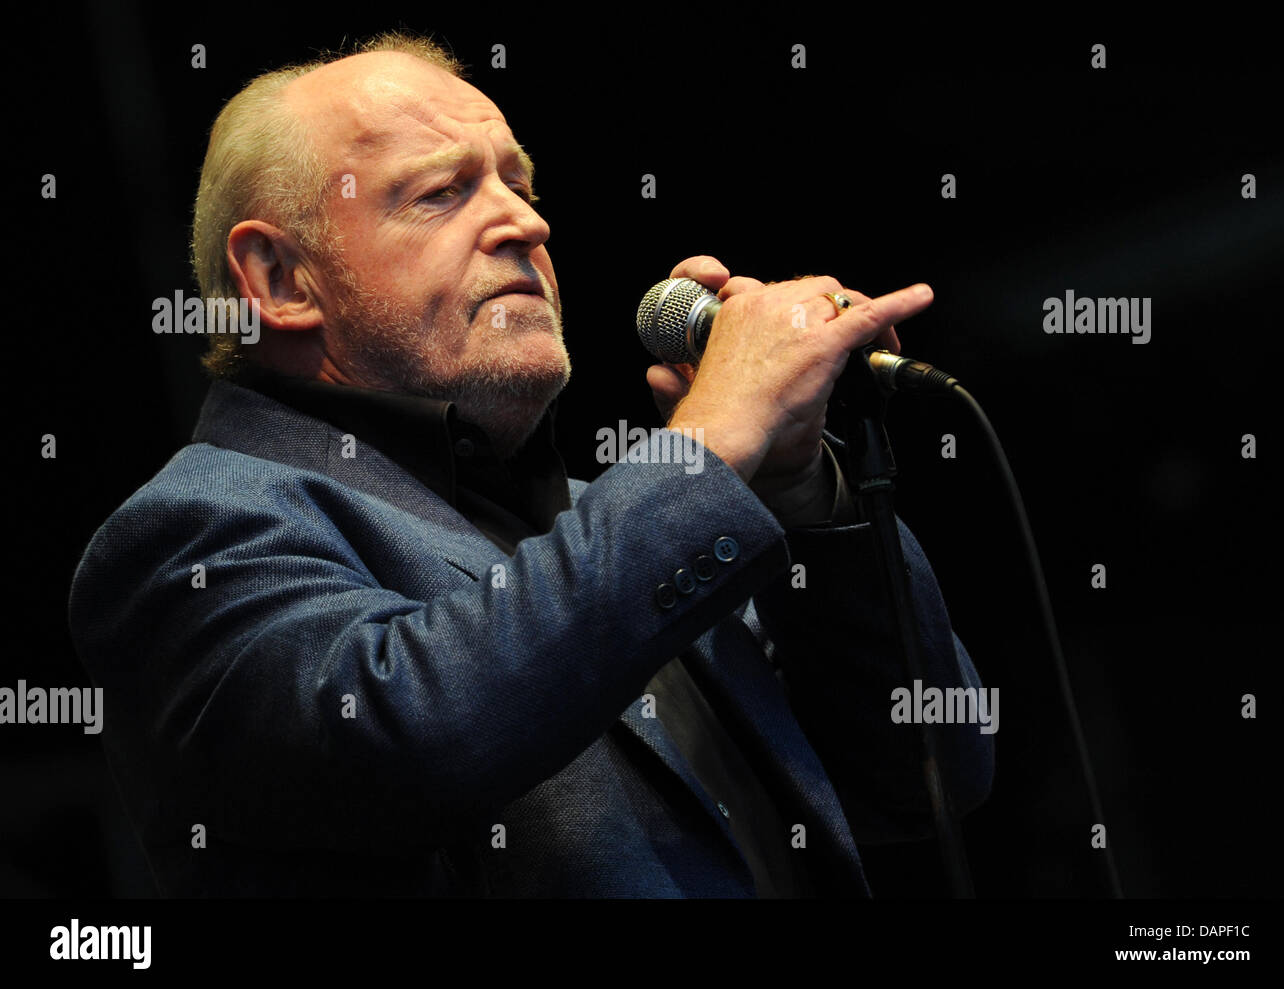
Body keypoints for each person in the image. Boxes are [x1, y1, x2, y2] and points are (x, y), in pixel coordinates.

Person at [68, 32, 993, 897]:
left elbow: (926, 780)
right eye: (441, 192)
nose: (524, 224)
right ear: (278, 281)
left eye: (522, 187)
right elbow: (409, 741)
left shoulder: (638, 518)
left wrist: (799, 494)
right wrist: (705, 448)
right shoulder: (188, 536)